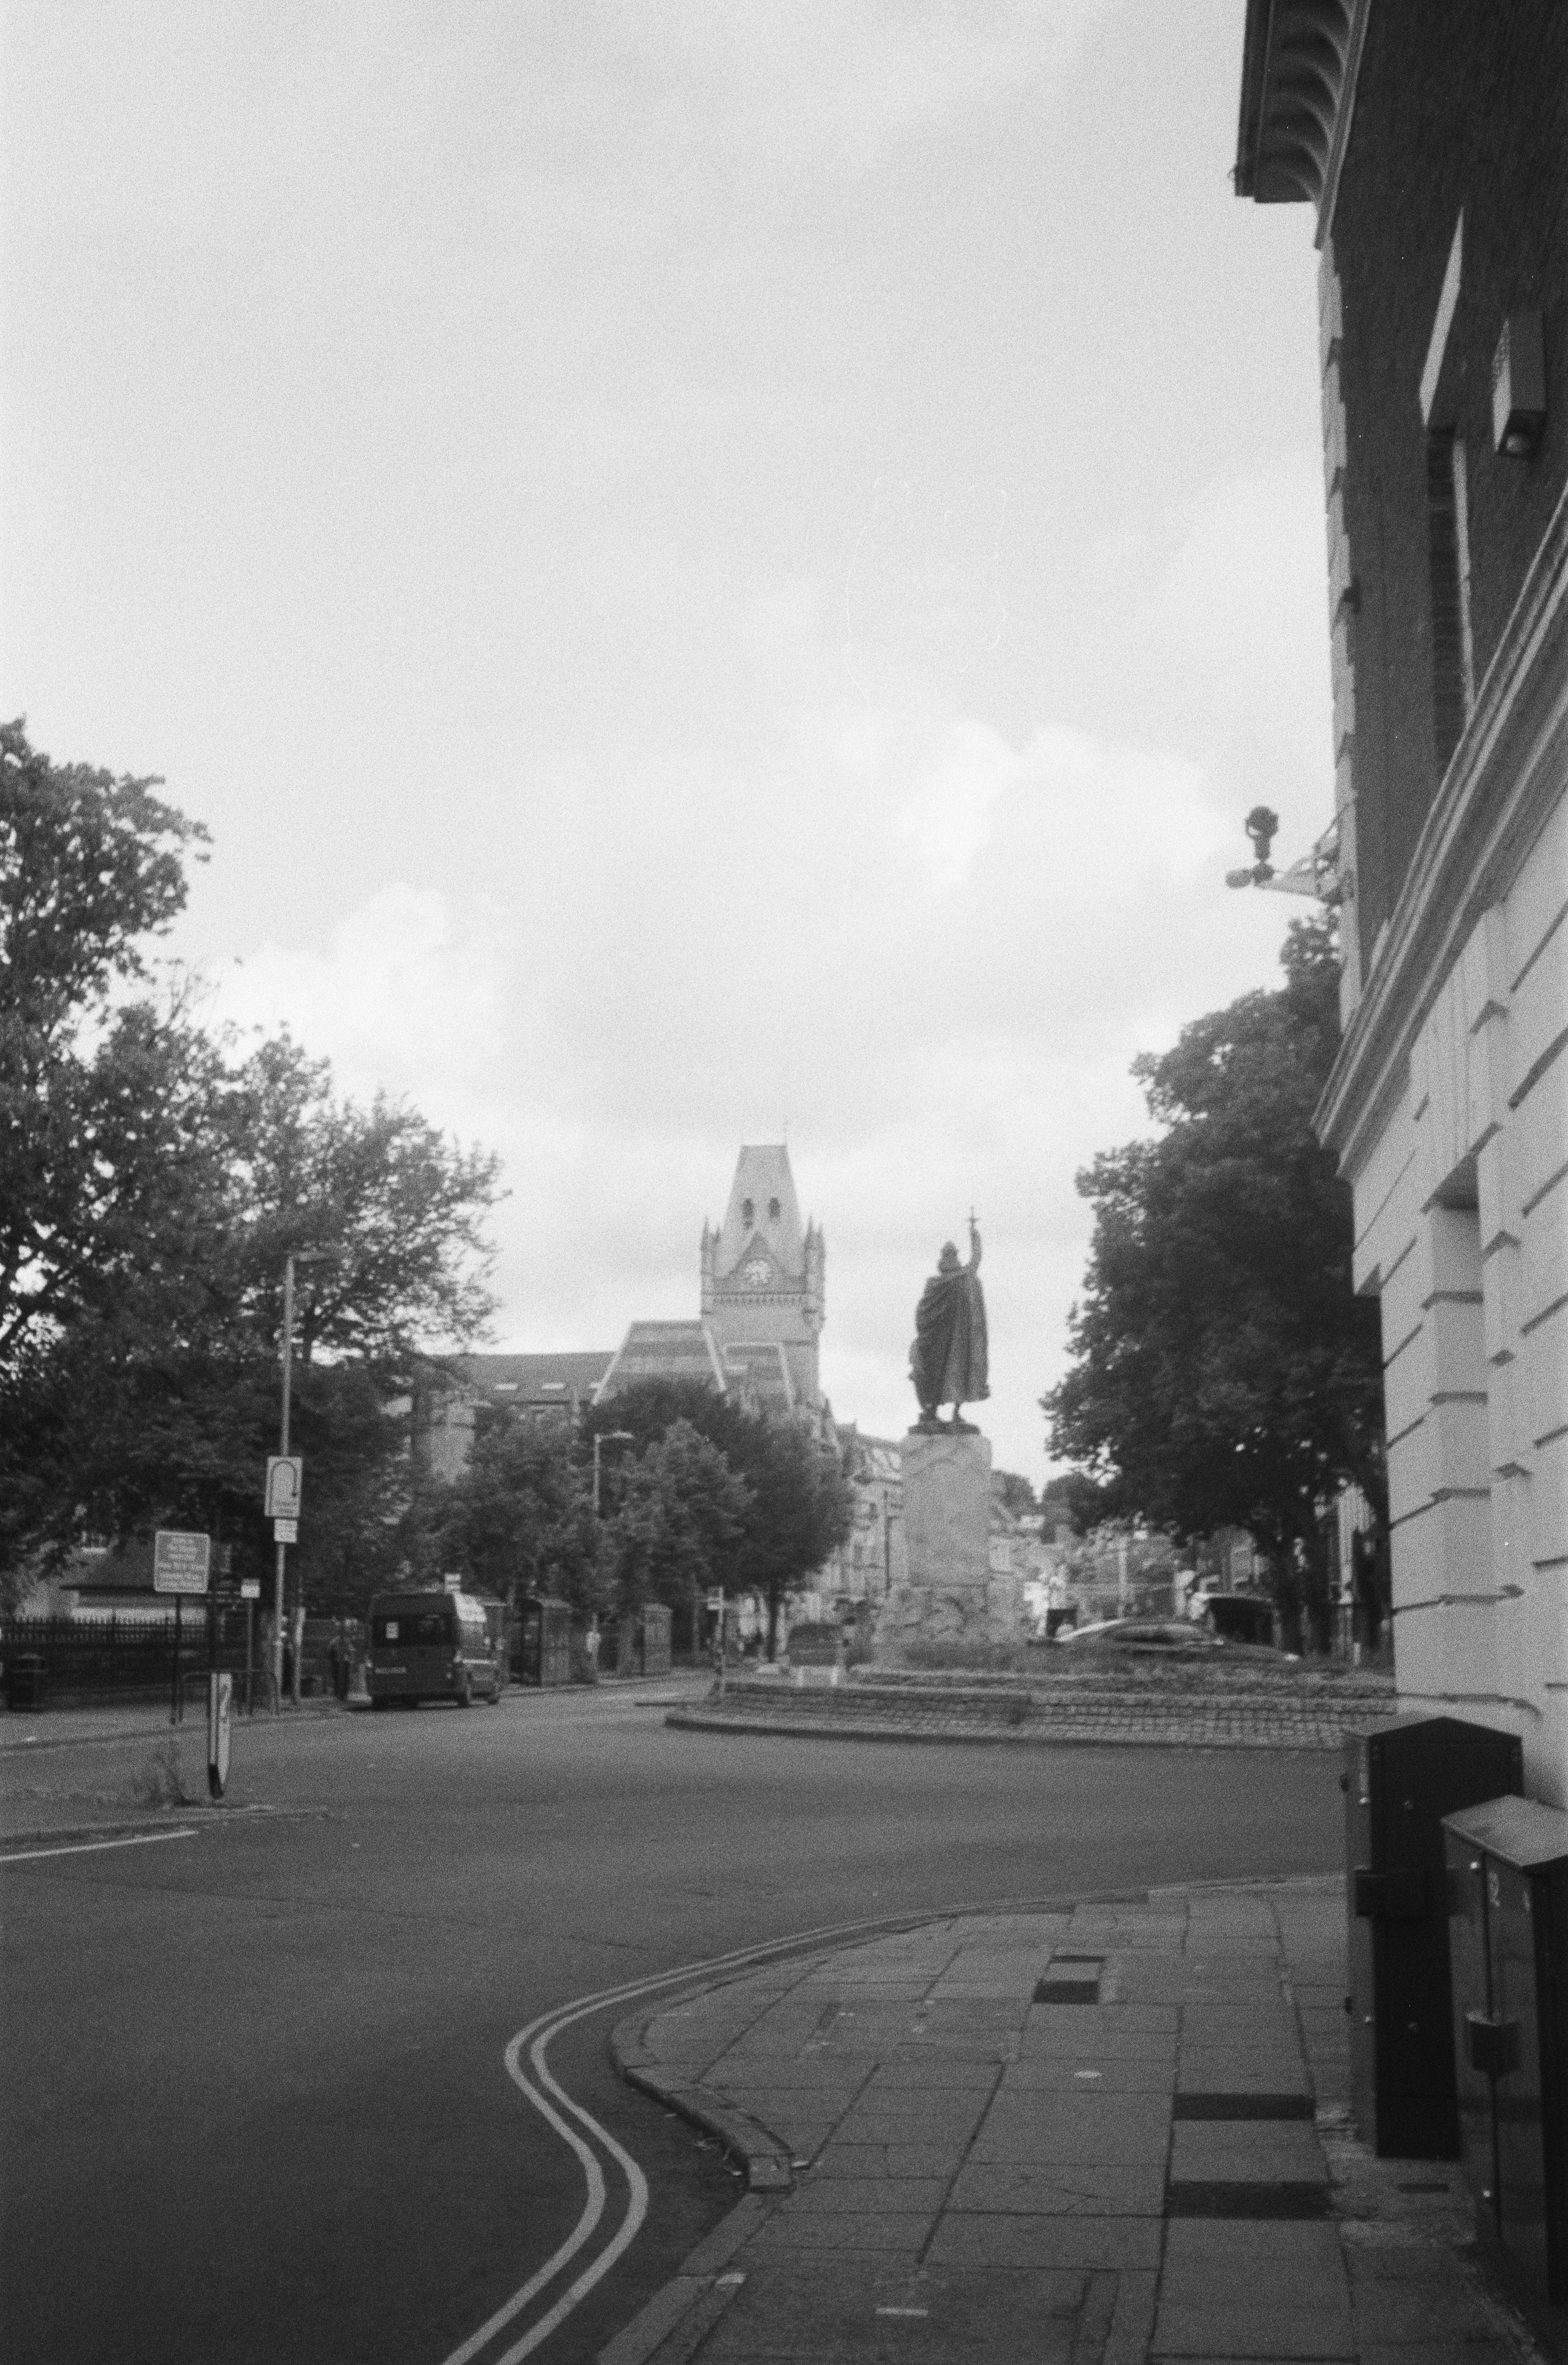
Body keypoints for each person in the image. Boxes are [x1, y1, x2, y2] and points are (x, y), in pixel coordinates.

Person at [910, 1216, 989, 1430]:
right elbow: (976, 1260)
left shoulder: (937, 1282)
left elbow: (922, 1312)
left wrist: (975, 1236)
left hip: (945, 1338)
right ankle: (944, 1412)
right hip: (950, 1338)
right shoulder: (956, 1278)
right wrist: (975, 1236)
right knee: (952, 1372)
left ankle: (938, 1411)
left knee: (944, 1372)